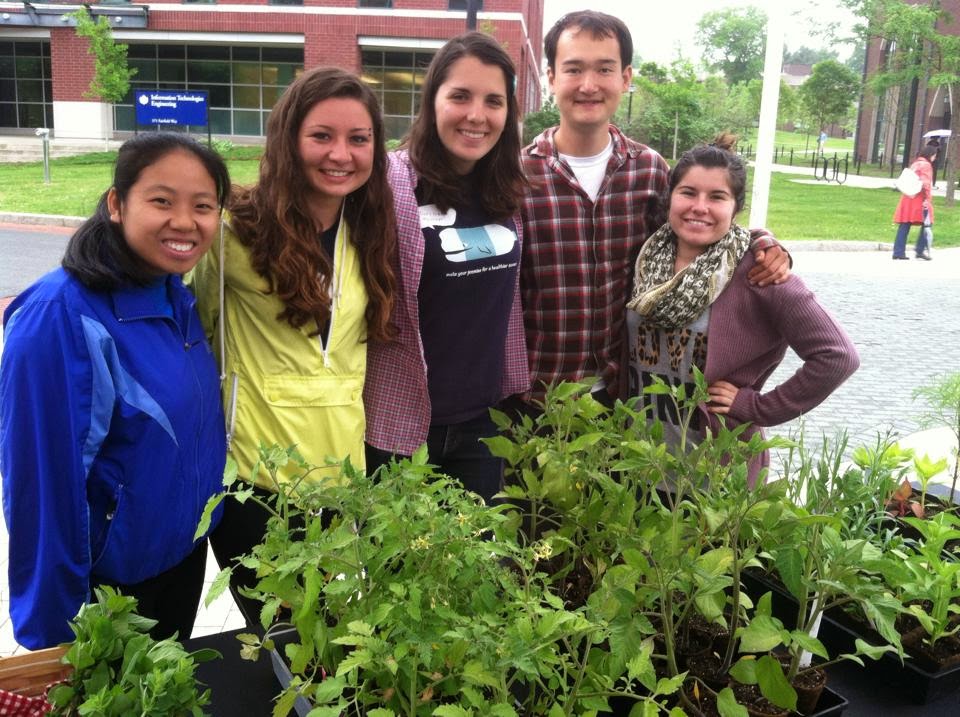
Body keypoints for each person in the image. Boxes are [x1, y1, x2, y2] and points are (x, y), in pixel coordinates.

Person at [0, 133, 230, 649]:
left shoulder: (177, 296)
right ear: (116, 204)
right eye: (161, 201)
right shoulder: (60, 318)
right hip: (111, 593)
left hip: (180, 561)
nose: (185, 222)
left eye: (204, 206)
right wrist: (51, 639)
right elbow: (41, 490)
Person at [187, 67, 396, 623]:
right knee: (282, 639)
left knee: (330, 643)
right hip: (256, 481)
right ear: (287, 139)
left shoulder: (371, 230)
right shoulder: (233, 232)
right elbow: (196, 330)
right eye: (321, 135)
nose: (341, 154)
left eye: (359, 138)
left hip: (342, 481)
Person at [518, 10, 790, 408]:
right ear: (551, 77)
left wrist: (764, 243)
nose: (589, 85)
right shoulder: (517, 175)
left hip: (627, 399)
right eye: (573, 69)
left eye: (604, 69)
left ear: (626, 78)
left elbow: (699, 230)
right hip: (537, 399)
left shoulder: (648, 169)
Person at [626, 135, 860, 486]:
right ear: (670, 197)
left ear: (735, 207)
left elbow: (838, 356)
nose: (699, 207)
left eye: (717, 197)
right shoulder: (645, 258)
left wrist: (755, 408)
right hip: (637, 467)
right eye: (688, 192)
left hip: (714, 474)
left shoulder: (758, 271)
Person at [364, 32, 528, 503]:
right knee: (396, 571)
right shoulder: (388, 180)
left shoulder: (508, 193)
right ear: (432, 100)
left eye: (493, 101)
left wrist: (753, 242)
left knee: (472, 571)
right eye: (460, 96)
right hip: (400, 427)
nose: (477, 115)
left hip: (481, 426)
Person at [892, 144, 937, 260]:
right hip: (919, 199)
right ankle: (920, 250)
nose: (935, 158)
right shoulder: (926, 165)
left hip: (908, 197)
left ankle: (898, 251)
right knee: (928, 222)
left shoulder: (915, 163)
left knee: (905, 224)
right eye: (935, 155)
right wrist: (928, 199)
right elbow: (926, 183)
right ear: (931, 155)